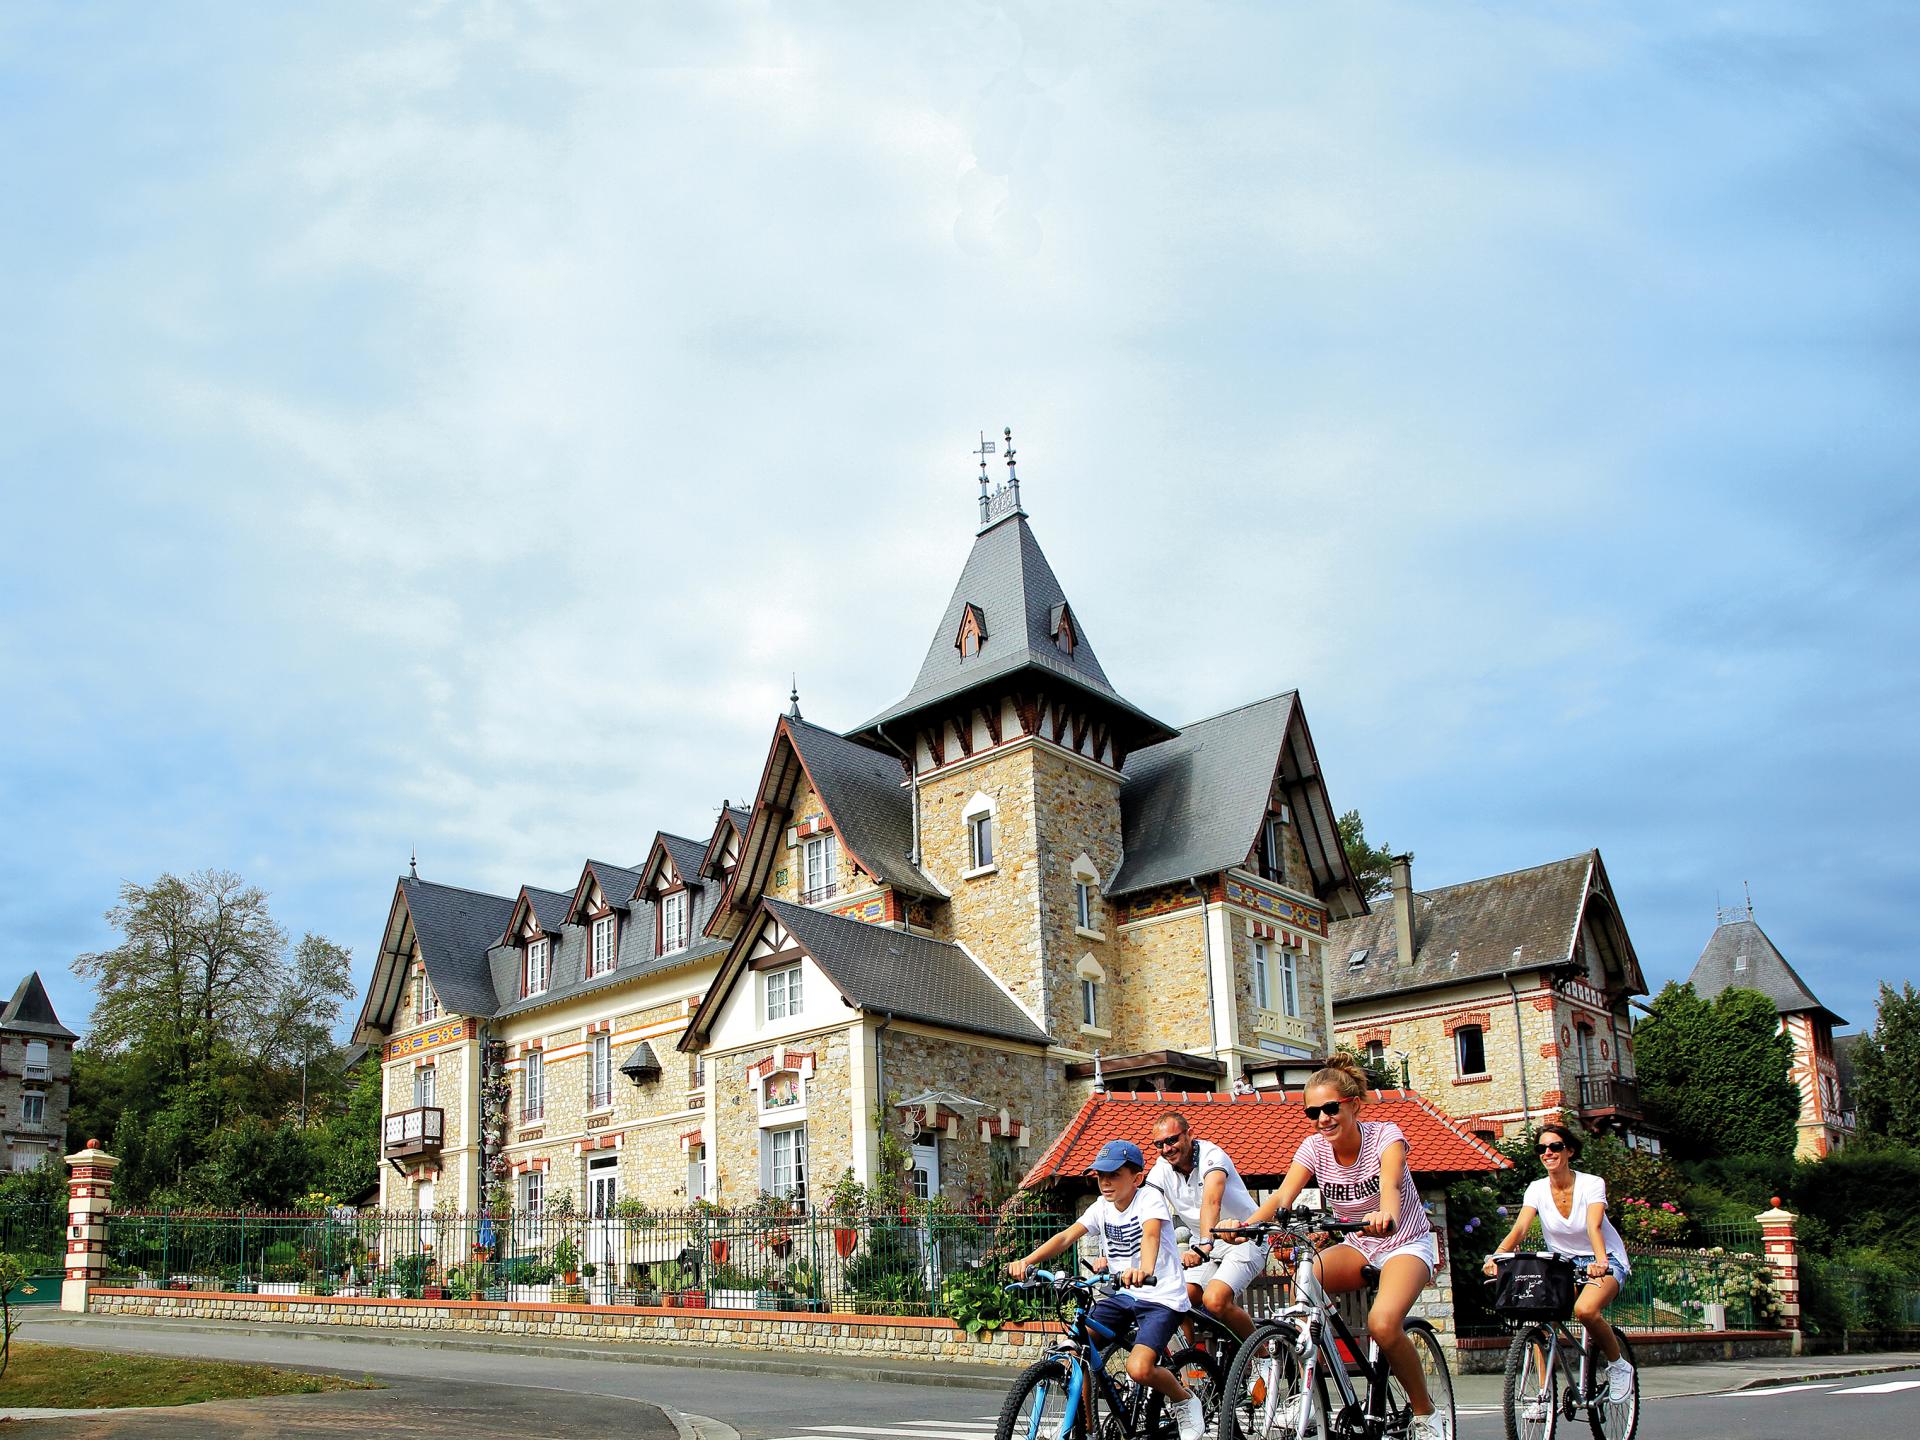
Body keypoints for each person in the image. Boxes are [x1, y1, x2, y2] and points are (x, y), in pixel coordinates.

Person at [1234, 1057, 1446, 1440]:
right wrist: (1246, 1227)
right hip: (1360, 1244)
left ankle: (1425, 1412)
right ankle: (1307, 1393)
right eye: (1313, 1112)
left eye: (1330, 1108)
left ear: (1353, 1105)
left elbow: (1392, 1183)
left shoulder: (1385, 1136)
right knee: (1305, 1285)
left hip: (1404, 1242)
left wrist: (1387, 1213)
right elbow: (1283, 1195)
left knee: (1383, 1324)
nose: (1322, 1119)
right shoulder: (1313, 1148)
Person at [1009, 1139, 1207, 1440]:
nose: (1105, 1182)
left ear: (1136, 1178)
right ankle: (1088, 1430)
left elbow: (1151, 1236)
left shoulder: (1149, 1200)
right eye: (1100, 1175)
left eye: (1113, 1175)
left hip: (1160, 1296)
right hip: (1122, 1294)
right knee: (1075, 1348)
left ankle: (1184, 1399)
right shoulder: (1101, 1207)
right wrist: (1027, 1260)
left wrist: (1145, 1270)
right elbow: (1066, 1237)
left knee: (1139, 1368)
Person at [1482, 1122, 1635, 1405]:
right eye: (1542, 1148)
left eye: (1555, 1146)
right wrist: (1497, 1255)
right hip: (1562, 1265)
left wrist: (1601, 1261)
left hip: (1604, 1259)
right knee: (1538, 1316)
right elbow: (1520, 1230)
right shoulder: (1536, 1189)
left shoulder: (1591, 1183)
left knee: (1586, 1310)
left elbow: (1594, 1225)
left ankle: (1618, 1365)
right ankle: (1543, 1396)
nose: (1548, 1152)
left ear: (1570, 1151)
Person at [1146, 1109, 1265, 1340]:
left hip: (1244, 1238)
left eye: (1172, 1140)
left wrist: (1203, 1245)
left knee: (1215, 1299)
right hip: (1204, 1244)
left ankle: (1263, 1359)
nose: (1166, 1149)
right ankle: (1191, 1370)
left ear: (1190, 1134)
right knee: (1177, 1301)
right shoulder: (1160, 1170)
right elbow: (1146, 1211)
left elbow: (1212, 1201)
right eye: (1159, 1144)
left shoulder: (1212, 1155)